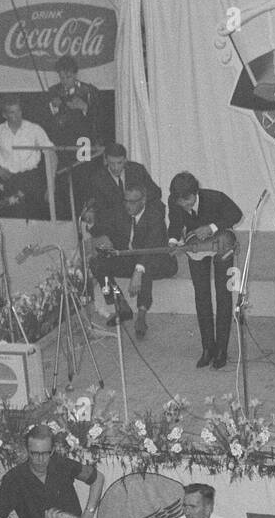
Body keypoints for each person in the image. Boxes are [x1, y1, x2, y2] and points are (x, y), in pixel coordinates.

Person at [166, 171, 242, 371]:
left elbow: (236, 214)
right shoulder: (175, 202)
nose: (185, 205)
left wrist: (212, 227)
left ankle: (221, 351)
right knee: (201, 296)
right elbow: (175, 225)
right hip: (196, 249)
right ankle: (208, 348)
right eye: (181, 202)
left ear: (196, 192)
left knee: (223, 295)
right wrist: (173, 242)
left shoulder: (215, 197)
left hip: (221, 244)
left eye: (188, 200)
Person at [87, 183, 168, 339]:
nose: (128, 205)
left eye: (133, 202)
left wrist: (138, 270)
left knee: (145, 268)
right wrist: (94, 227)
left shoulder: (154, 216)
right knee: (97, 263)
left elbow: (150, 248)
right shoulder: (120, 213)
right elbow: (100, 228)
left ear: (143, 200)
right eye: (126, 201)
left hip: (156, 259)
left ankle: (141, 315)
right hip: (129, 258)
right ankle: (121, 303)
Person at [0, 95, 56, 220]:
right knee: (12, 220)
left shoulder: (34, 129)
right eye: (12, 112)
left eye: (19, 111)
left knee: (36, 219)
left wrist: (51, 185)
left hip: (32, 179)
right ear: (4, 115)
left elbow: (51, 155)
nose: (17, 115)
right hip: (8, 180)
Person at [79, 143, 161, 243]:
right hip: (114, 228)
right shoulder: (98, 179)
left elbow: (156, 192)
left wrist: (139, 208)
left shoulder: (137, 170)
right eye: (112, 163)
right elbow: (100, 209)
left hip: (140, 222)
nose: (116, 167)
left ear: (125, 160)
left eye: (119, 163)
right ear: (106, 161)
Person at [42, 55, 101, 148]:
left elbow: (99, 118)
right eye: (62, 78)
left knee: (83, 162)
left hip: (84, 140)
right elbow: (45, 119)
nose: (64, 81)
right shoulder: (53, 91)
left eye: (68, 77)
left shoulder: (88, 90)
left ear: (75, 74)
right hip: (61, 141)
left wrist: (85, 107)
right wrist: (53, 107)